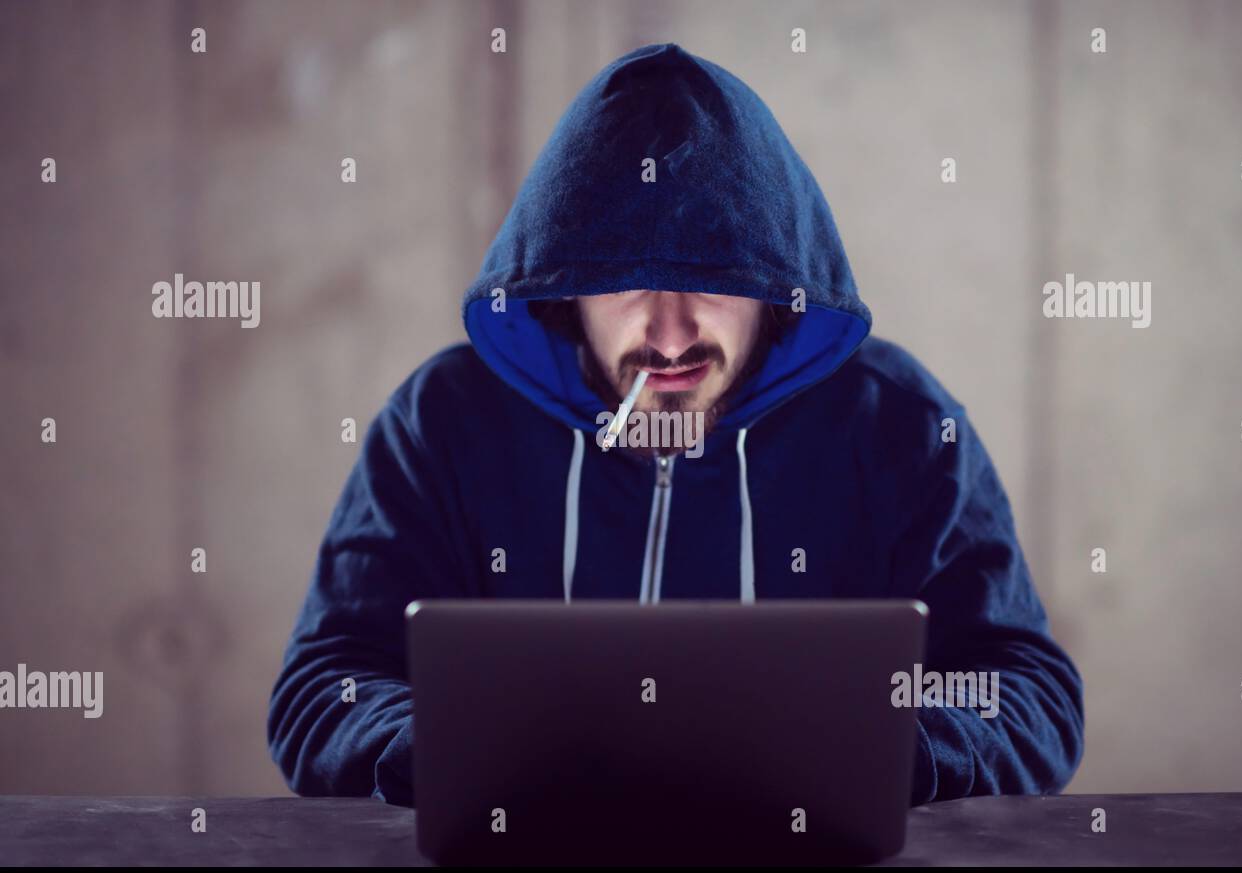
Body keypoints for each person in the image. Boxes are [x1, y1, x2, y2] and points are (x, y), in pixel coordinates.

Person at [267, 43, 1084, 808]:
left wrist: (878, 753)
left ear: (778, 287)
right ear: (562, 291)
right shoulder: (441, 423)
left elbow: (1025, 691)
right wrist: (453, 753)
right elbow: (327, 681)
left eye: (713, 280)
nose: (668, 335)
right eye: (624, 282)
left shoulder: (903, 424)